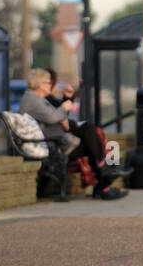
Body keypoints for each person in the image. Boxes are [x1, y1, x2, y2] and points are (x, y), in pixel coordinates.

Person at [20, 68, 129, 200]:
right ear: (39, 84)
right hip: (51, 143)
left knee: (90, 134)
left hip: (54, 140)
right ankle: (104, 181)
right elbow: (52, 117)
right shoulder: (32, 99)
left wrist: (66, 101)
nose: (51, 85)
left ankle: (104, 175)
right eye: (48, 82)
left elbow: (55, 114)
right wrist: (64, 108)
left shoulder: (37, 98)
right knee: (90, 134)